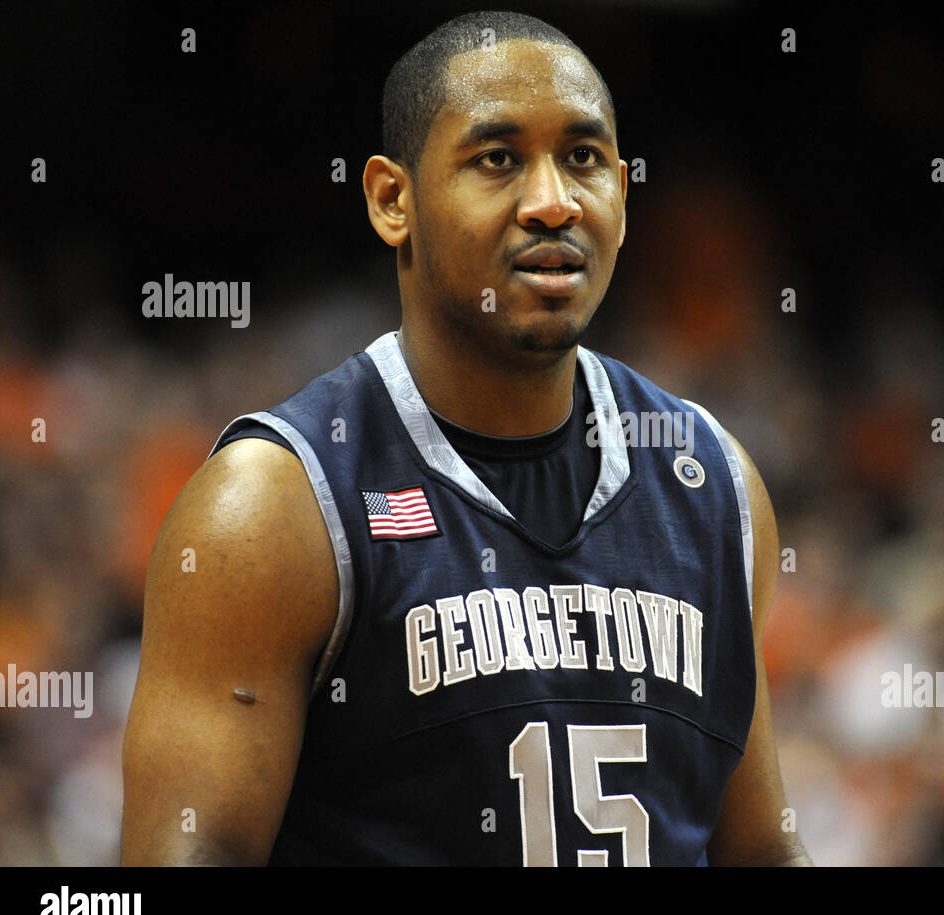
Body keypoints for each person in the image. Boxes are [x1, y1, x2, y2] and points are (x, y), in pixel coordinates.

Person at [121, 10, 811, 867]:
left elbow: (762, 852)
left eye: (584, 159)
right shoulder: (273, 505)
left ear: (622, 201)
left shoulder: (713, 481)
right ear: (391, 200)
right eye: (498, 159)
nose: (554, 200)